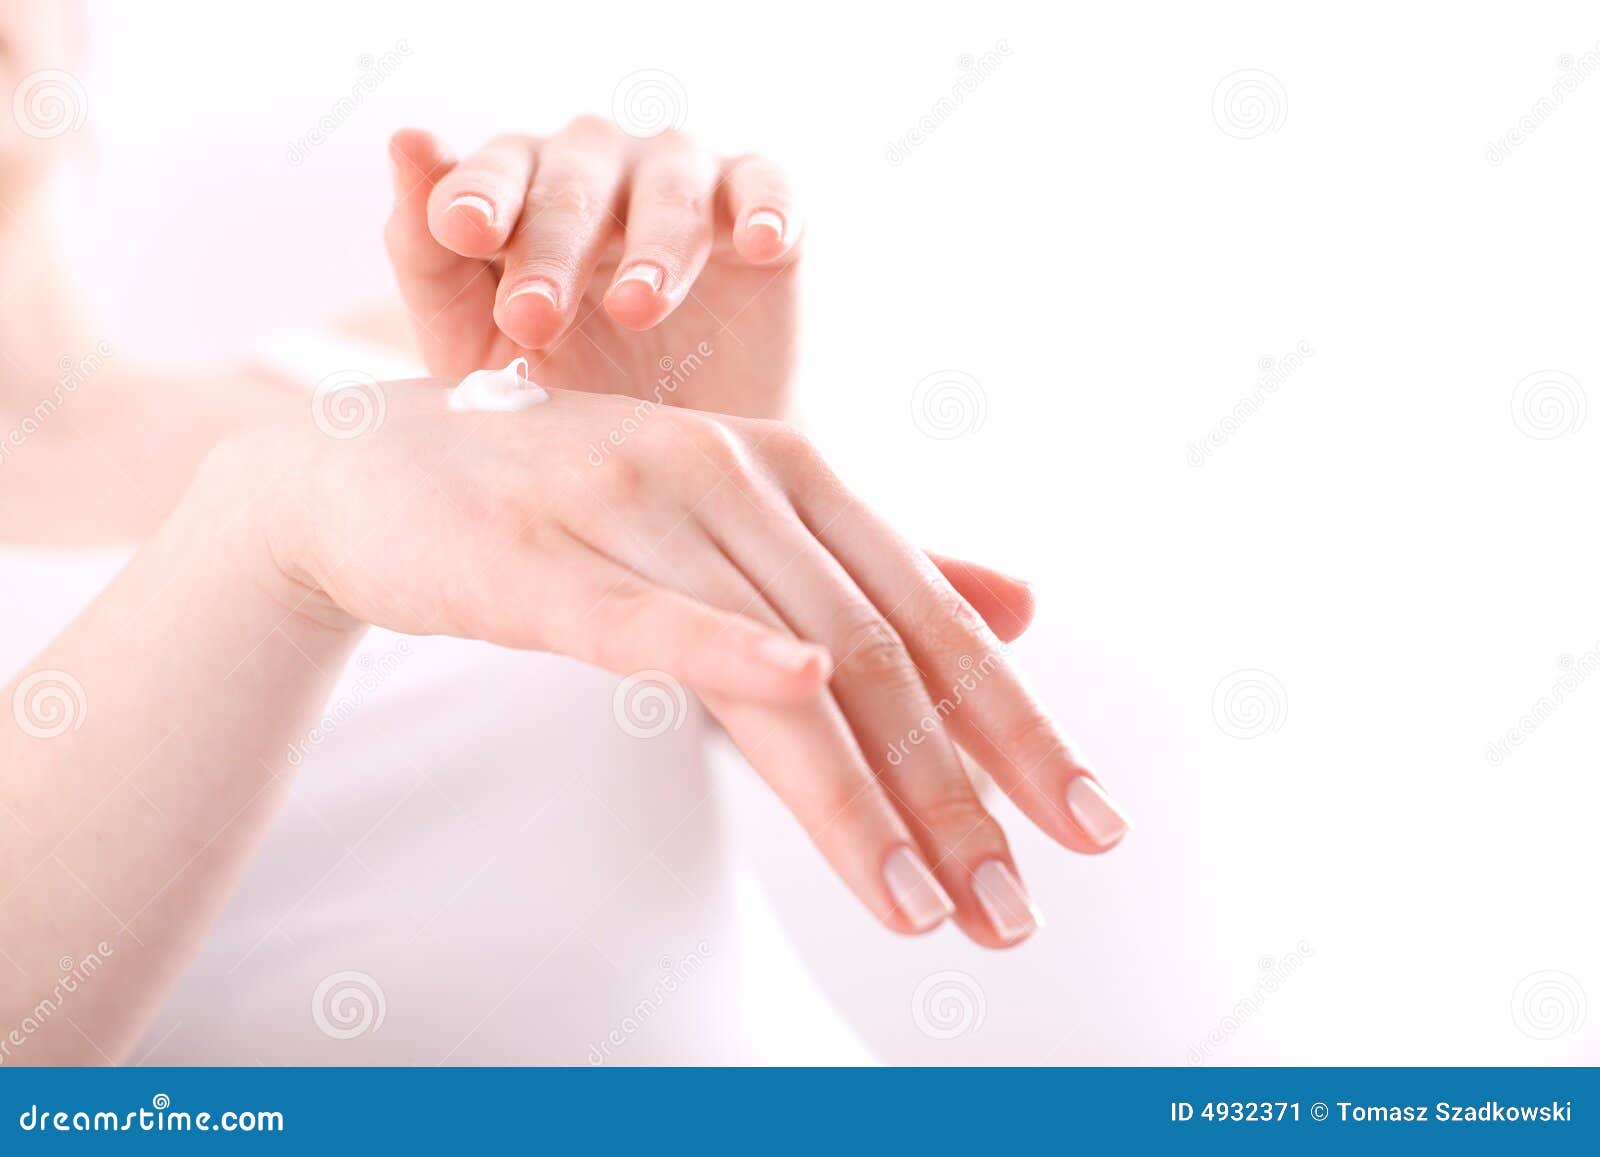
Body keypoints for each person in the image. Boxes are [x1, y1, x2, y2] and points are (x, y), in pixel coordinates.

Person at [0, 25, 1127, 1064]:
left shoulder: (430, 377)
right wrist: (263, 533)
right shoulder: (331, 454)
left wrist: (709, 440)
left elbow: (950, 792)